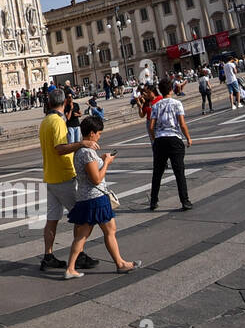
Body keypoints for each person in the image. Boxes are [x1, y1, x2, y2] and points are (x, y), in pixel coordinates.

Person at [63, 115, 141, 278]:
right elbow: (96, 179)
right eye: (99, 133)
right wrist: (106, 163)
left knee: (84, 234)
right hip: (95, 198)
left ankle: (71, 268)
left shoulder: (79, 151)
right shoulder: (87, 153)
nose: (100, 136)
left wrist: (103, 159)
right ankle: (120, 264)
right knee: (108, 230)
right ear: (91, 133)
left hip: (86, 198)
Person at [39, 88, 99, 271]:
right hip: (63, 177)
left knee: (52, 219)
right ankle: (78, 255)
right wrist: (82, 143)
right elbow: (60, 148)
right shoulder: (57, 122)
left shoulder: (45, 121)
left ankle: (48, 256)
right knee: (81, 217)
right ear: (64, 103)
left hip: (50, 177)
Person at [148, 77, 192, 211]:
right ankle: (184, 201)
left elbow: (151, 127)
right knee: (179, 171)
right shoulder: (177, 103)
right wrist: (188, 138)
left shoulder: (155, 105)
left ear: (160, 91)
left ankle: (153, 201)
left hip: (160, 140)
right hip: (174, 139)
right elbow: (182, 124)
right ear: (171, 90)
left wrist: (155, 140)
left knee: (157, 172)